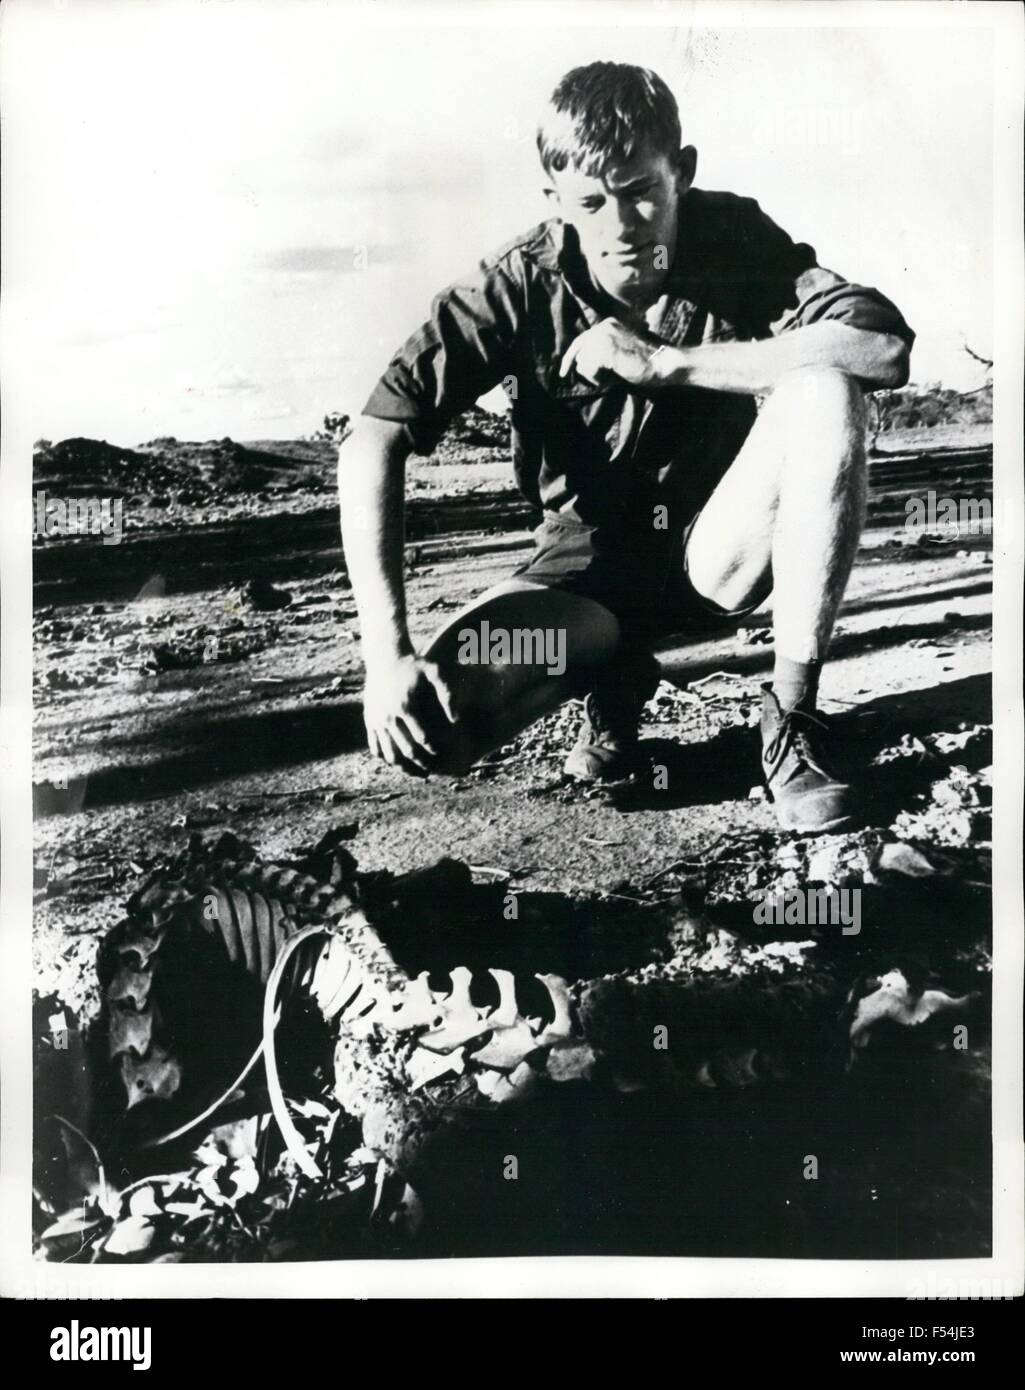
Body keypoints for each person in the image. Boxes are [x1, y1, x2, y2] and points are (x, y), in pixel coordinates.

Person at [338, 61, 914, 833]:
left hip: (716, 555)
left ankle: (791, 720)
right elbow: (373, 438)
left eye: (641, 189)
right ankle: (614, 683)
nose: (620, 225)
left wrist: (668, 364)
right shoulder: (513, 286)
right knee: (436, 725)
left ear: (682, 171)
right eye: (589, 203)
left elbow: (879, 350)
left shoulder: (734, 235)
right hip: (584, 583)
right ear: (556, 202)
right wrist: (387, 656)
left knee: (824, 384)